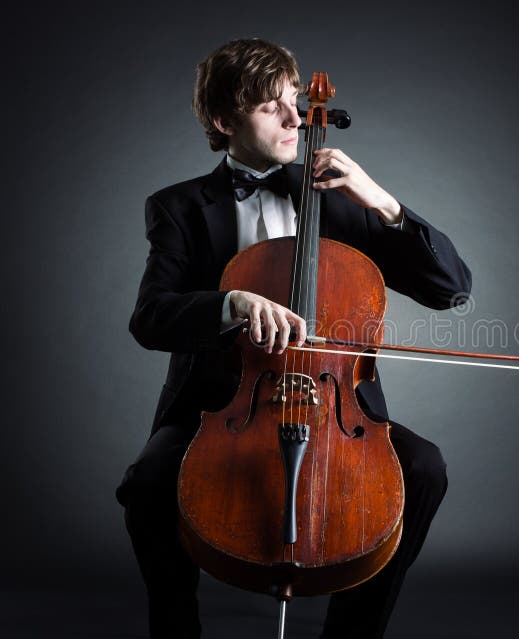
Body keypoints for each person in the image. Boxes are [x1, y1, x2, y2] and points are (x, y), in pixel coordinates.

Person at [116, 37, 472, 639]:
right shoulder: (178, 208)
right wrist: (229, 302)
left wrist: (383, 203)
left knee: (425, 469)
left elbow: (451, 289)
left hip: (338, 408)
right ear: (225, 120)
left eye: (293, 101)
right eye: (268, 106)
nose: (293, 118)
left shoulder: (339, 200)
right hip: (219, 407)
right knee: (148, 485)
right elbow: (151, 317)